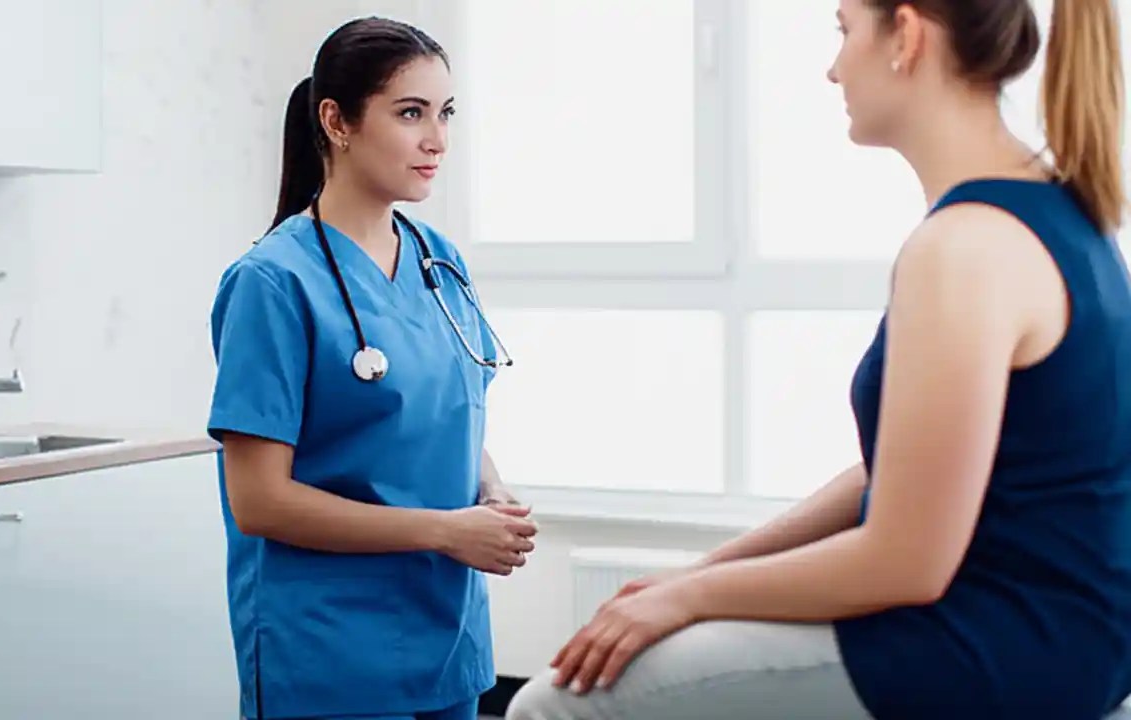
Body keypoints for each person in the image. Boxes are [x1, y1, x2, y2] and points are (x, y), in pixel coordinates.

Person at [508, 0, 1131, 718]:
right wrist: (706, 570)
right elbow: (909, 470)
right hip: (1069, 642)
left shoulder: (966, 247)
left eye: (844, 30)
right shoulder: (1059, 217)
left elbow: (907, 560)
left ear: (906, 35)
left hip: (995, 645)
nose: (833, 67)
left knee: (554, 704)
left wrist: (689, 597)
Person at [206, 16, 538, 720]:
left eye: (445, 113)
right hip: (327, 648)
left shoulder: (438, 261)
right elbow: (260, 501)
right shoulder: (272, 283)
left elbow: (442, 413)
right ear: (337, 121)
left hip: (444, 634)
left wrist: (490, 488)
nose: (437, 139)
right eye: (410, 113)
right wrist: (446, 530)